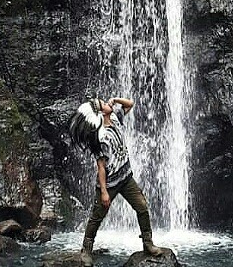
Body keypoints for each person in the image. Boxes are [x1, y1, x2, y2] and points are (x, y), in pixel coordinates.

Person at [69, 97, 164, 266]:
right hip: (110, 183)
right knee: (96, 217)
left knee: (142, 206)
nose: (107, 103)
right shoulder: (100, 137)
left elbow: (130, 104)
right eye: (103, 103)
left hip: (126, 177)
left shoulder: (114, 118)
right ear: (100, 113)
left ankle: (148, 243)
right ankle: (86, 249)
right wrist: (104, 192)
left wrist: (115, 100)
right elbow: (101, 167)